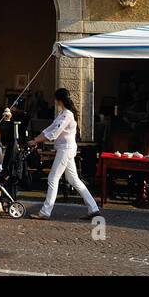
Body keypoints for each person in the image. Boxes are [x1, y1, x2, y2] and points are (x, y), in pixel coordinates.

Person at [29, 88, 101, 221]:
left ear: (59, 100)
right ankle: (94, 208)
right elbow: (49, 129)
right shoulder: (64, 113)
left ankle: (45, 211)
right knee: (74, 180)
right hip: (66, 149)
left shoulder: (67, 114)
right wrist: (36, 139)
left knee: (52, 178)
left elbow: (54, 132)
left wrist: (36, 140)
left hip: (65, 150)